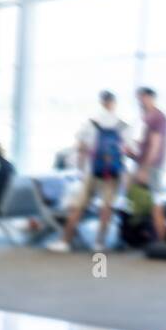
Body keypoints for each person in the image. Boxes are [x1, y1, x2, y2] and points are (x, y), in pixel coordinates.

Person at [48, 91, 129, 253]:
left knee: (79, 206)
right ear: (114, 103)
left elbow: (80, 148)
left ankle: (65, 242)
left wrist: (80, 169)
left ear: (101, 102)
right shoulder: (122, 125)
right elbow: (127, 150)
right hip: (113, 173)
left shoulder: (91, 123)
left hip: (92, 171)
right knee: (107, 208)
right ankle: (99, 243)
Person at [127, 87, 166, 241]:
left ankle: (162, 241)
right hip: (147, 165)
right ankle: (149, 236)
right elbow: (145, 145)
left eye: (142, 97)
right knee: (146, 201)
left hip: (152, 167)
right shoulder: (148, 117)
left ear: (150, 97)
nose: (140, 101)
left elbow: (155, 146)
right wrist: (132, 154)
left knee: (156, 204)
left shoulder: (157, 118)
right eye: (138, 98)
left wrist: (144, 169)